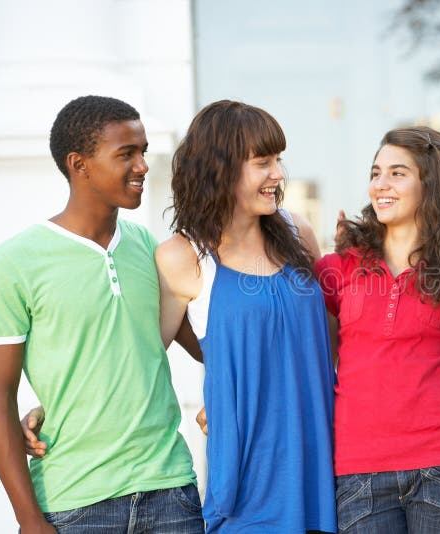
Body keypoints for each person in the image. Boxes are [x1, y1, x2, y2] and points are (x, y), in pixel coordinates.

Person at [0, 95, 202, 533]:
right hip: (74, 505)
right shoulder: (14, 262)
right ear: (78, 163)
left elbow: (206, 346)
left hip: (171, 494)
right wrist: (29, 520)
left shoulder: (150, 248)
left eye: (143, 151)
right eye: (126, 154)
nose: (143, 165)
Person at [155, 100, 337, 533]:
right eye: (263, 162)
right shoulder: (183, 257)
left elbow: (332, 334)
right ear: (221, 169)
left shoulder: (298, 232)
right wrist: (50, 411)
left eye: (278, 160)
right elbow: (143, 358)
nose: (278, 174)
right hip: (249, 485)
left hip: (324, 463)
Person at [314, 126, 440, 533]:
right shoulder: (338, 268)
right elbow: (296, 352)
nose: (381, 184)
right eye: (376, 173)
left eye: (397, 173)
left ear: (430, 183)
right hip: (358, 474)